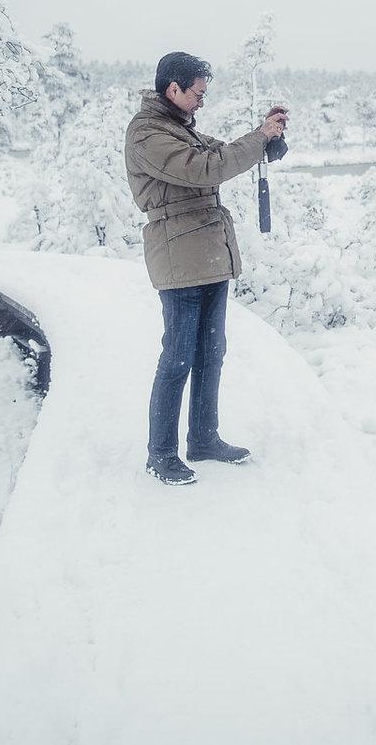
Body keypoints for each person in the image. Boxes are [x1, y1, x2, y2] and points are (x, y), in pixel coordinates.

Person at [123, 51, 288, 485]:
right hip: (179, 255)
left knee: (211, 352)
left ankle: (203, 438)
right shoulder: (147, 135)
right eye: (197, 92)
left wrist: (266, 139)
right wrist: (256, 140)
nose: (202, 100)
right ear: (172, 89)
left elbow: (224, 151)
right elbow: (207, 168)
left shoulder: (179, 129)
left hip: (209, 252)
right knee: (178, 357)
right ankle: (160, 453)